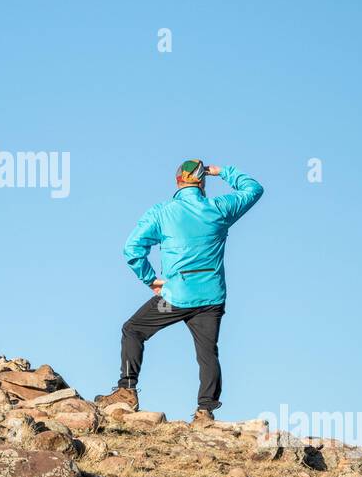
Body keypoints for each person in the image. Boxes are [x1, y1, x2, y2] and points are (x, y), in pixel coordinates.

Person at [96, 159, 264, 426]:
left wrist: (150, 280)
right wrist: (222, 172)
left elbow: (132, 249)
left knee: (133, 330)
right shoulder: (219, 208)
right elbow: (253, 189)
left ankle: (127, 390)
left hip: (174, 298)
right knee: (208, 353)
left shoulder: (163, 212)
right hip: (211, 299)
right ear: (202, 182)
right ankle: (205, 411)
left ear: (177, 182)